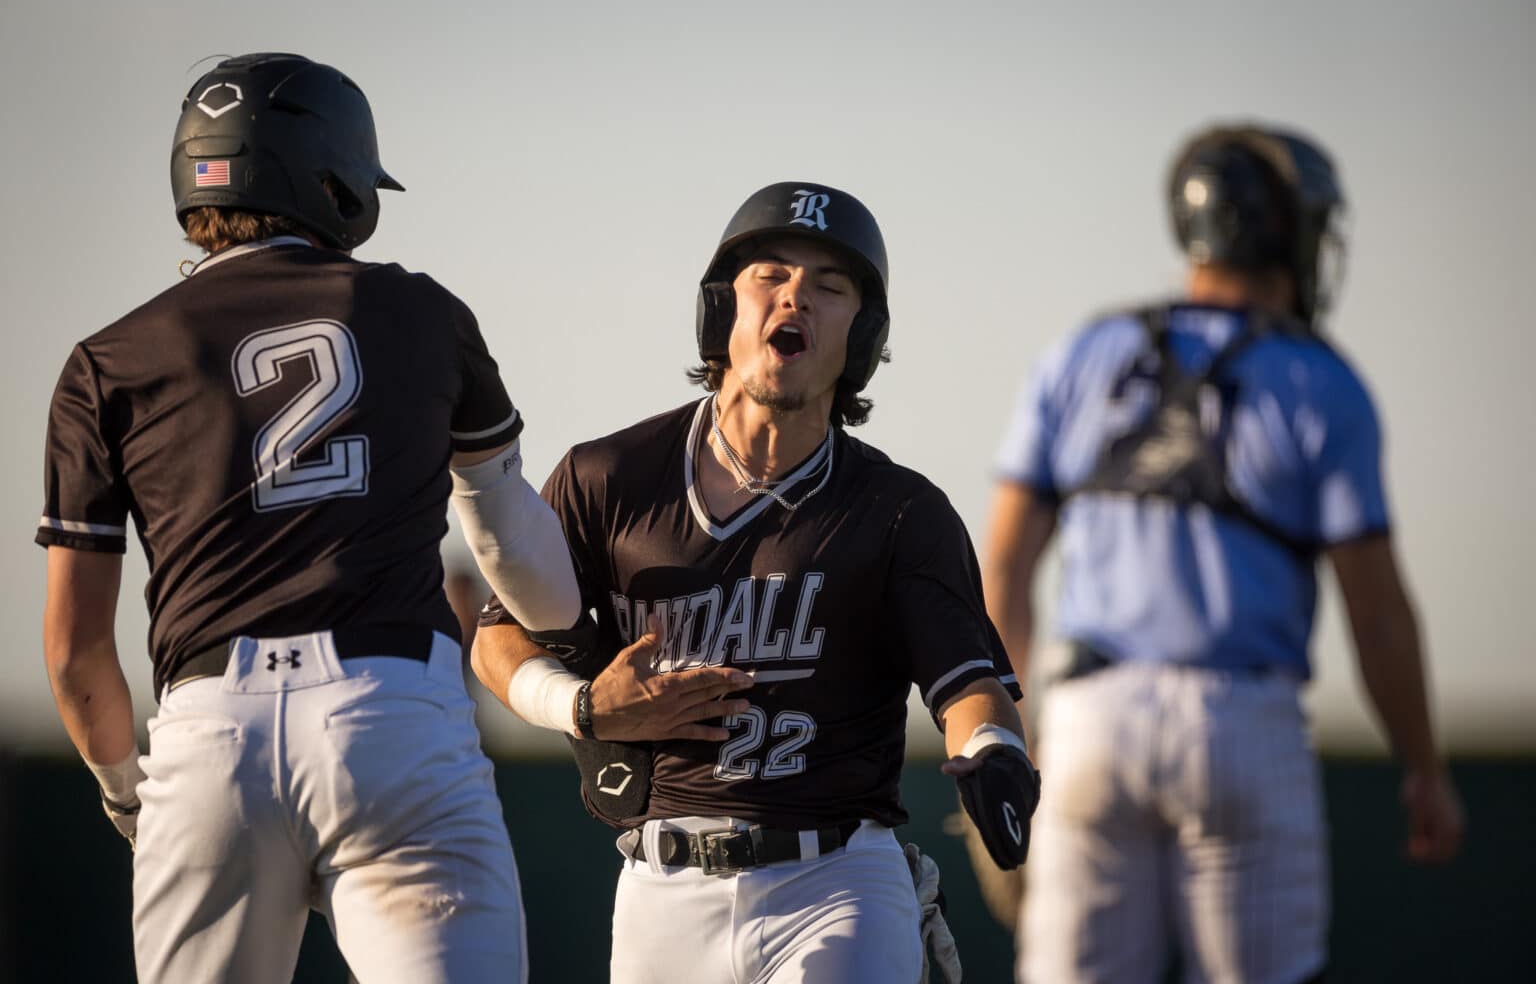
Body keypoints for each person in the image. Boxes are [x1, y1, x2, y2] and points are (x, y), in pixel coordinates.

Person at [36, 52, 579, 984]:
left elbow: (74, 654)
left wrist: (131, 794)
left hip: (207, 729)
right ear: (331, 179)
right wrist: (570, 634)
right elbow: (517, 558)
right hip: (390, 715)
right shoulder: (418, 310)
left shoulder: (107, 360)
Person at [471, 181, 1041, 984]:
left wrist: (993, 750)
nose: (795, 296)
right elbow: (497, 638)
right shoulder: (610, 476)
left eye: (830, 286)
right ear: (721, 309)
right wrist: (583, 707)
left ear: (863, 336)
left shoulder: (900, 510)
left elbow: (969, 685)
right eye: (770, 274)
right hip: (661, 885)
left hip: (838, 879)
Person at [984, 123, 1465, 984]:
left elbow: (1003, 569)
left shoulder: (1080, 354)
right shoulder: (1321, 380)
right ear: (1286, 232)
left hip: (1089, 722)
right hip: (1240, 722)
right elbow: (1377, 612)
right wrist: (1423, 770)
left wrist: (1000, 735)